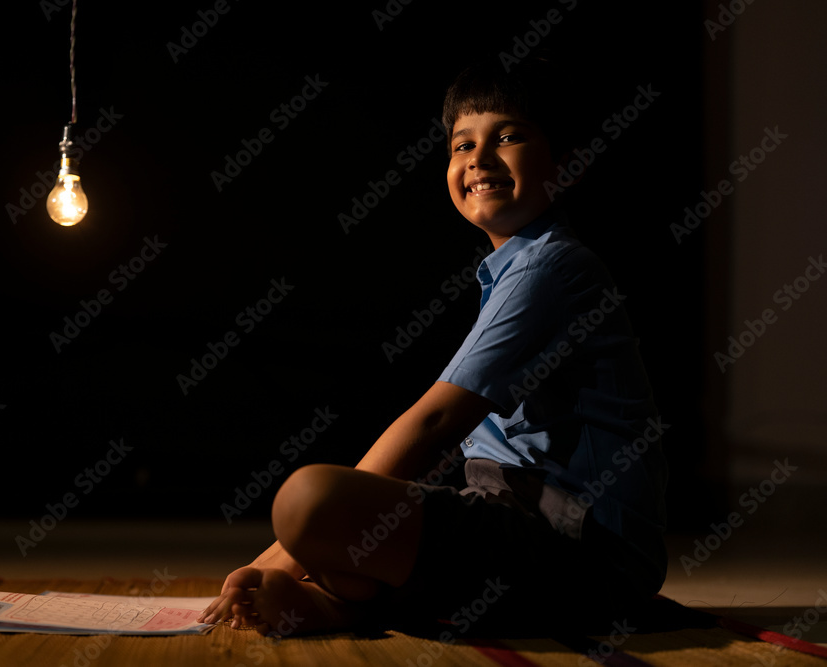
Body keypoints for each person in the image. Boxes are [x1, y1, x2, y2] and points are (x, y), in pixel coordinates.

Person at [198, 57, 668, 637]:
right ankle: (345, 602)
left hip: (589, 552)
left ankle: (346, 593)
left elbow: (436, 421)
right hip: (511, 520)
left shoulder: (553, 266)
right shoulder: (515, 265)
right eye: (461, 144)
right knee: (348, 518)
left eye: (509, 136)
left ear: (566, 165)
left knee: (307, 501)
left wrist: (277, 557)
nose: (478, 159)